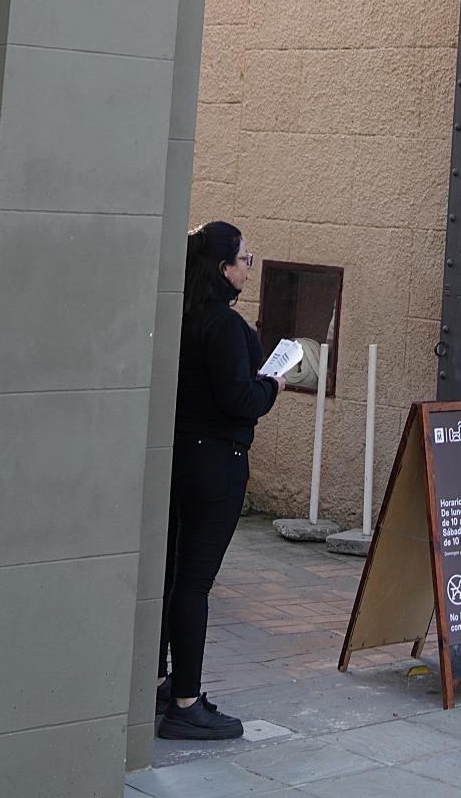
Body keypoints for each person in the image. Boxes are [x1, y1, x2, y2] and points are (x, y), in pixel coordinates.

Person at [158, 220, 281, 742]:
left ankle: (159, 680)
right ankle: (186, 700)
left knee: (169, 574)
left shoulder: (179, 313)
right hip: (217, 463)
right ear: (223, 267)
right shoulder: (224, 326)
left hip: (177, 456)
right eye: (245, 259)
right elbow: (242, 401)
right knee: (195, 583)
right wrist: (272, 384)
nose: (249, 267)